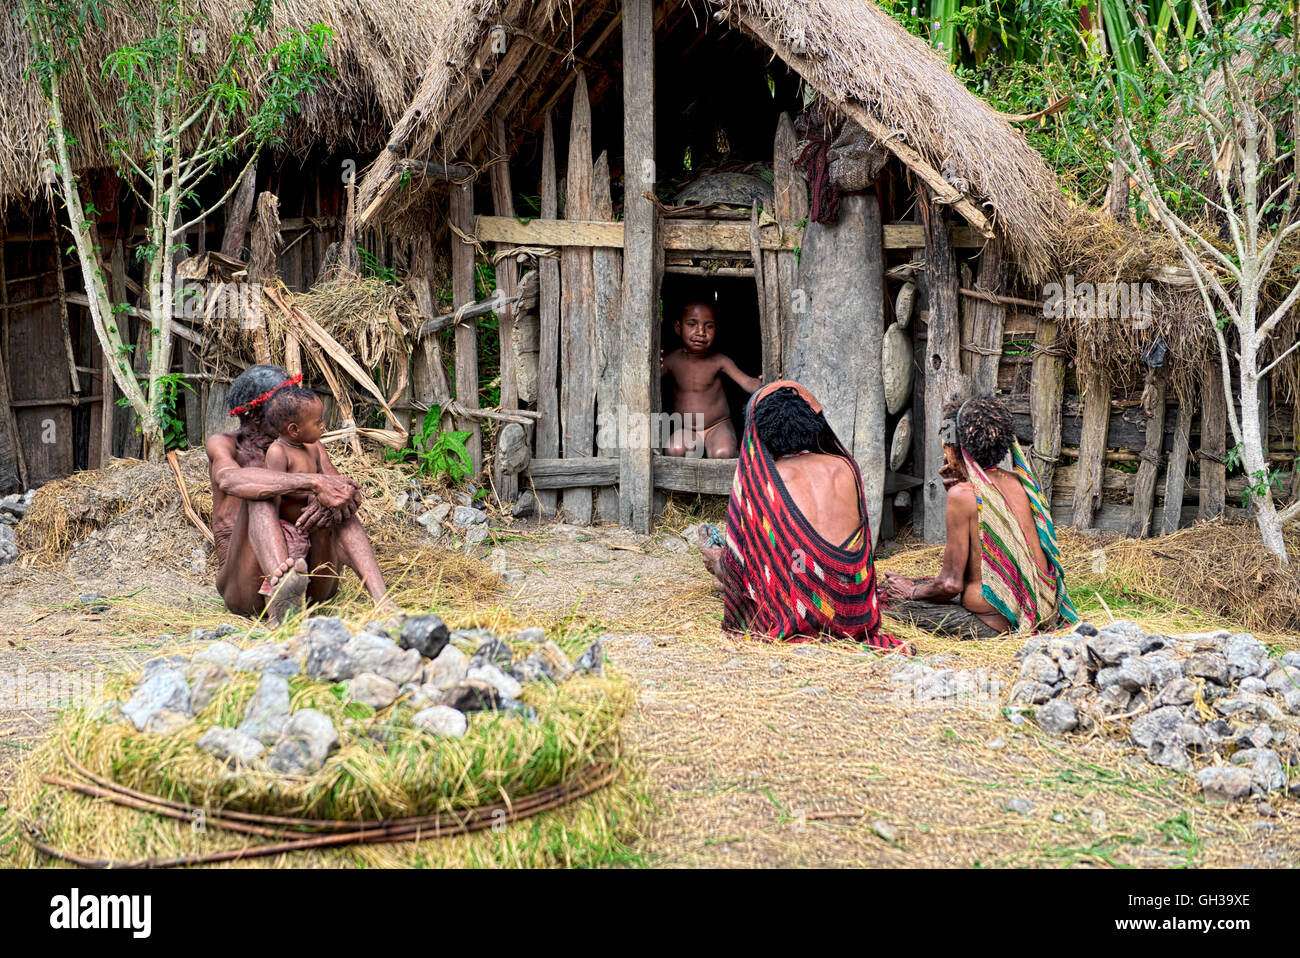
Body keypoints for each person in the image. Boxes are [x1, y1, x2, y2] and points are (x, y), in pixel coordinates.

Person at [700, 380, 905, 650]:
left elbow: (753, 559)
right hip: (853, 609)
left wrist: (720, 562)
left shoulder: (765, 482)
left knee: (728, 562)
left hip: (803, 610)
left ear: (759, 431)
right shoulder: (845, 466)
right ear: (812, 423)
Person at [206, 365, 394, 624]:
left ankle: (383, 602)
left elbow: (347, 494)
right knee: (259, 495)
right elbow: (229, 479)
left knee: (336, 504)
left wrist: (330, 496)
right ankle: (279, 603)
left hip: (313, 578)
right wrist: (314, 483)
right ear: (259, 415)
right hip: (245, 587)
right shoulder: (225, 444)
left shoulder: (307, 444)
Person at [881, 396, 1077, 638]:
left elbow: (950, 585)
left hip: (989, 625)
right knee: (916, 583)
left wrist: (911, 592)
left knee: (886, 602)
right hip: (1035, 611)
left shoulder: (963, 495)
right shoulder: (1019, 482)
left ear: (953, 444)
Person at [660, 301, 761, 459]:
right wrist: (652, 364)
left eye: (709, 326)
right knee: (675, 450)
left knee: (723, 453)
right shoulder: (672, 361)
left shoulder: (720, 361)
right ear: (678, 328)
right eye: (692, 324)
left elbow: (747, 383)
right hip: (687, 429)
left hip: (717, 425)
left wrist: (766, 384)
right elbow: (649, 379)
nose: (701, 332)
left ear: (716, 329)